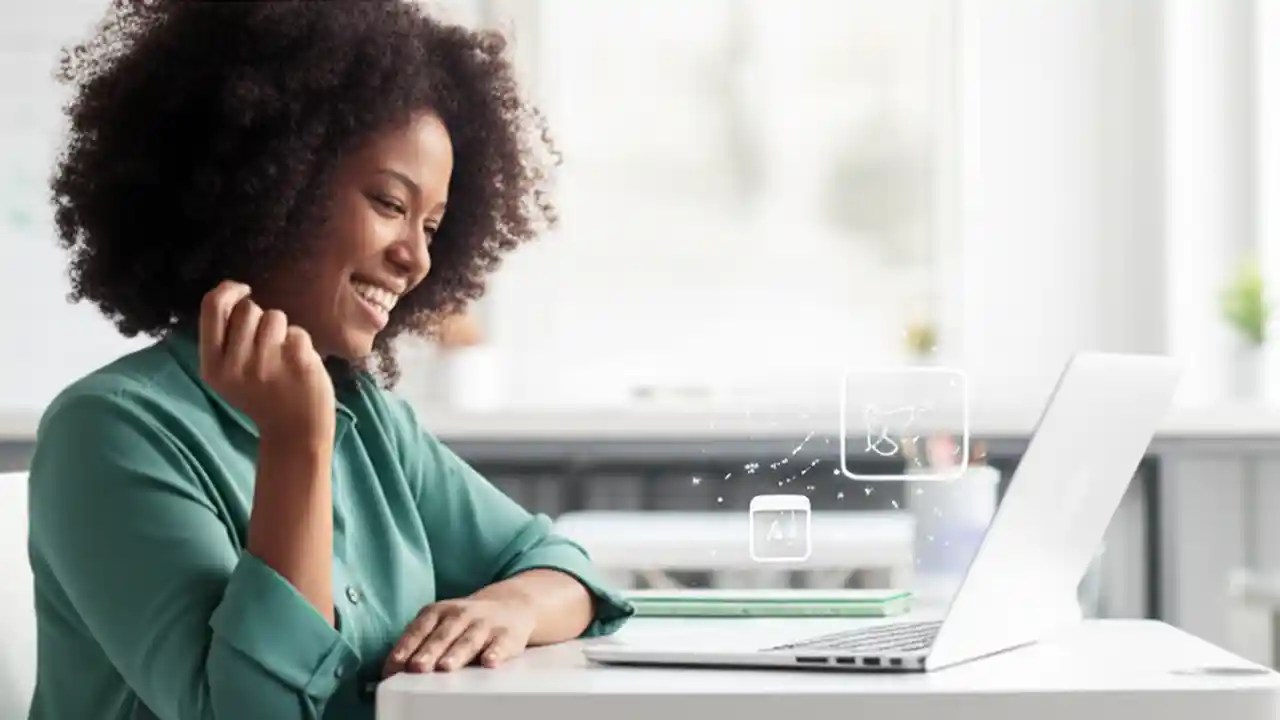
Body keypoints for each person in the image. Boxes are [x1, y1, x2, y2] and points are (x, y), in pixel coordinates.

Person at [27, 2, 632, 718]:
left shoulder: (364, 415)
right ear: (271, 181)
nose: (415, 258)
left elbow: (561, 568)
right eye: (388, 202)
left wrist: (512, 611)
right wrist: (297, 444)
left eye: (433, 225)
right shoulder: (111, 434)